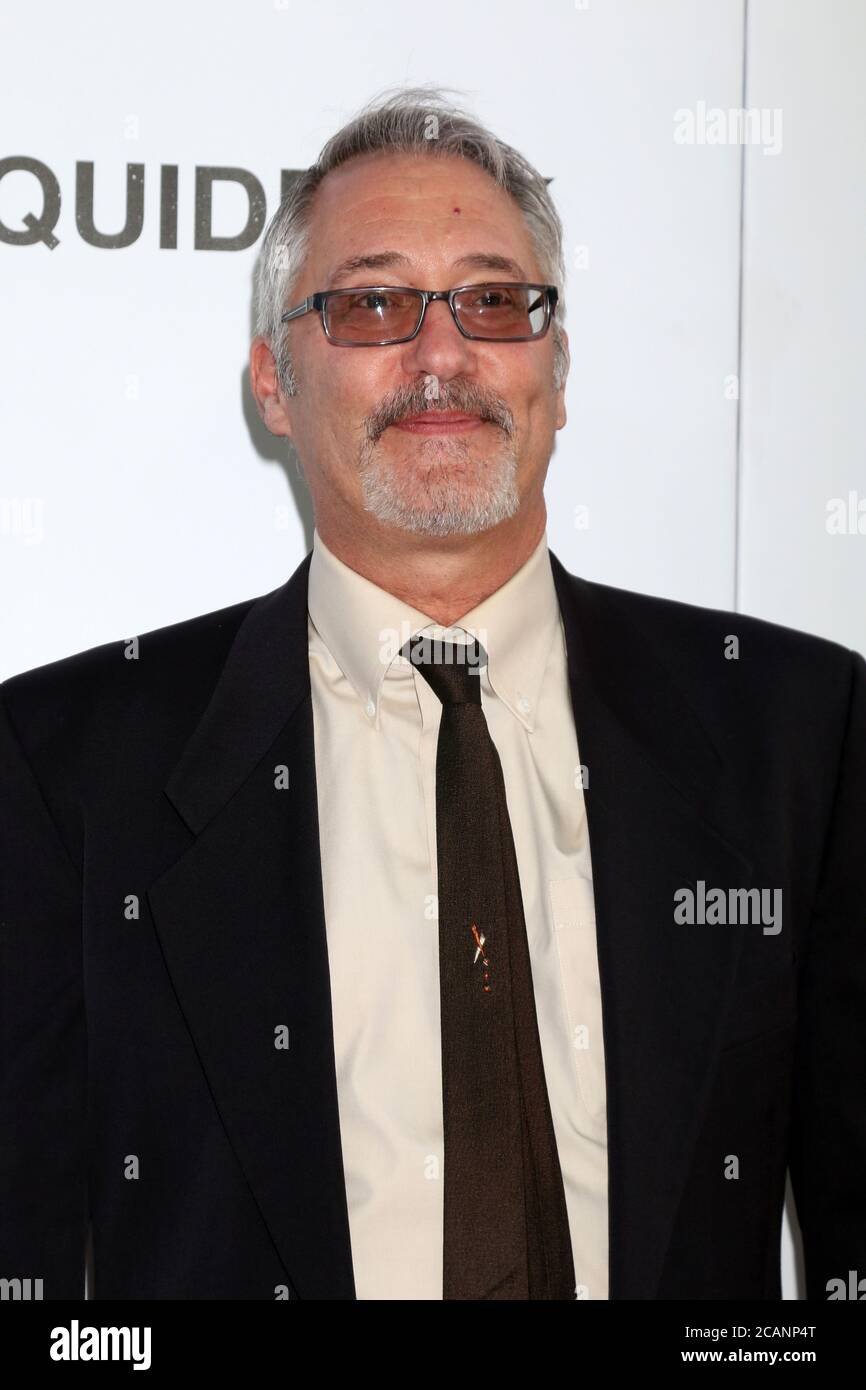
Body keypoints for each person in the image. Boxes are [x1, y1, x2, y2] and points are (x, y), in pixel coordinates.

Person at [1, 85, 863, 1302]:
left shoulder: (798, 733)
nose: (443, 353)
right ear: (271, 381)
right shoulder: (67, 765)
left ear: (554, 372)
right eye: (372, 304)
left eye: (494, 301)